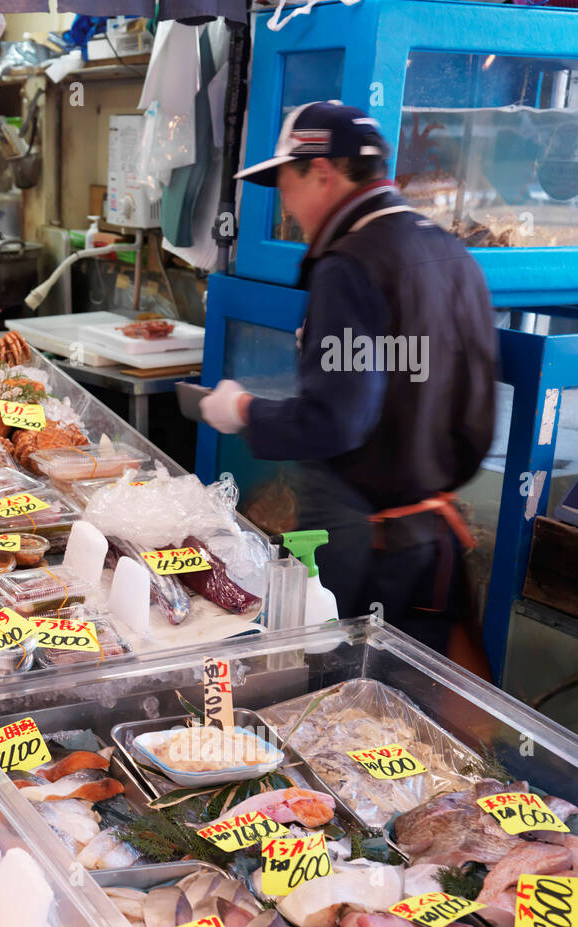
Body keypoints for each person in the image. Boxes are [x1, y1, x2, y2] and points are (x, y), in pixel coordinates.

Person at [199, 101, 497, 654]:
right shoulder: (449, 252)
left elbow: (338, 419)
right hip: (430, 546)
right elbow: (474, 411)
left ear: (322, 173)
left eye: (286, 185)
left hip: (365, 549)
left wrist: (241, 410)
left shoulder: (350, 264)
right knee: (408, 716)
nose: (286, 206)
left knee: (339, 705)